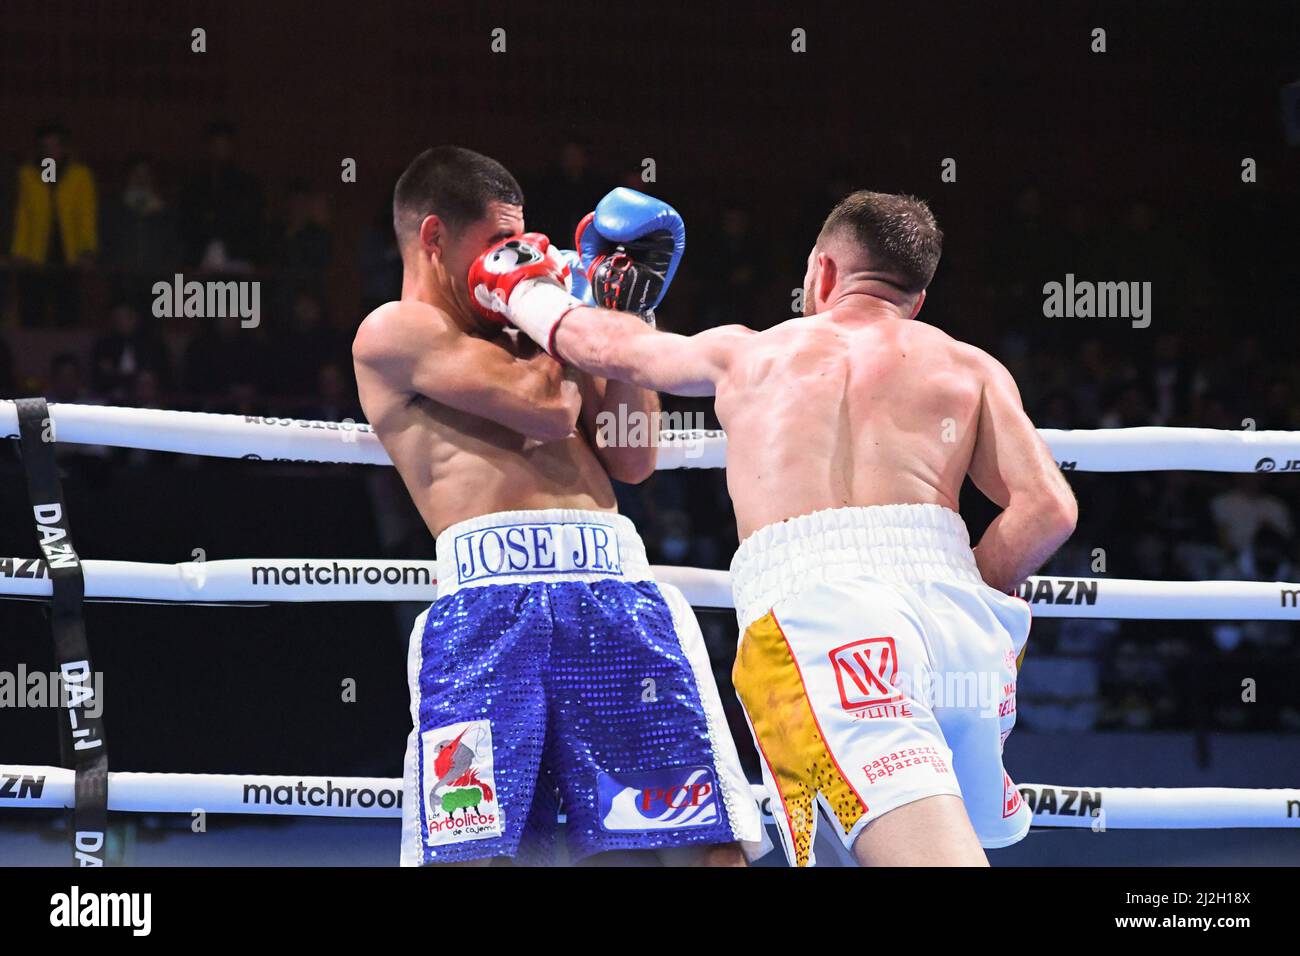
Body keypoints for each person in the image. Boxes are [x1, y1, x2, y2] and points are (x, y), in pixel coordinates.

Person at [479, 188, 1078, 866]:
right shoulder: (970, 366)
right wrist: (965, 579)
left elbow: (607, 348)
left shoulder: (755, 353)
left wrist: (521, 285)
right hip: (961, 630)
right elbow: (1048, 508)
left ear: (821, 273)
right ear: (915, 298)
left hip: (833, 624)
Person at [351, 147, 761, 867]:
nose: (516, 257)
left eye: (522, 240)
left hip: (614, 592)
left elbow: (632, 456)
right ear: (434, 237)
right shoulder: (396, 330)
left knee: (705, 837)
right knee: (472, 848)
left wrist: (626, 315)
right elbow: (544, 409)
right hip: (489, 612)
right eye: (497, 243)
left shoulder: (536, 330)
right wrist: (558, 314)